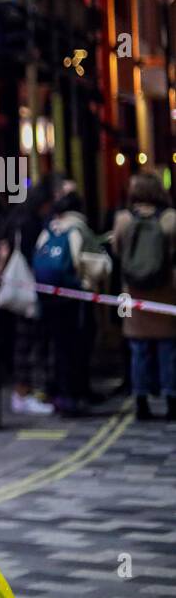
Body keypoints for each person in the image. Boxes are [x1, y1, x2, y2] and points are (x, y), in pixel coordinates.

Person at [33, 189, 110, 416]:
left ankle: (62, 394)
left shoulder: (50, 229)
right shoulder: (79, 229)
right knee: (77, 347)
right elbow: (90, 265)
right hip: (75, 299)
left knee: (58, 347)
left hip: (49, 298)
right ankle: (75, 395)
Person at [112, 172, 176, 420]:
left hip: (132, 294)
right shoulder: (170, 219)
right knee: (168, 348)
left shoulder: (124, 220)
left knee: (138, 348)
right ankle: (171, 398)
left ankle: (140, 400)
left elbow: (117, 251)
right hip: (166, 292)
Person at [0, 177, 58, 415]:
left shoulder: (13, 217)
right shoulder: (30, 223)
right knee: (28, 341)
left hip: (16, 287)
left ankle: (24, 392)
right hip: (26, 287)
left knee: (22, 340)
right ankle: (23, 393)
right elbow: (33, 256)